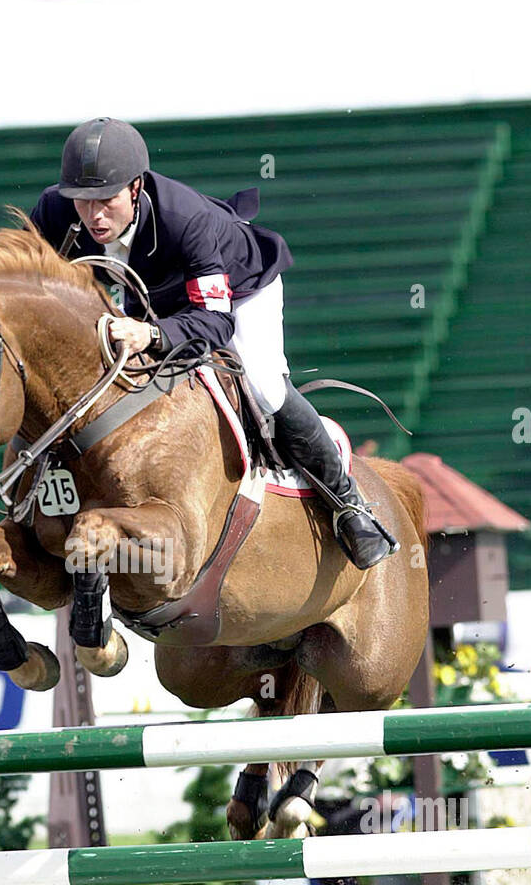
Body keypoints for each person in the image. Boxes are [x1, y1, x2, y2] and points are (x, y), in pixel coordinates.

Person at [30, 117, 398, 570]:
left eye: (106, 200)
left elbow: (215, 323)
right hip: (146, 290)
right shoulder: (54, 211)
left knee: (265, 387)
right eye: (83, 202)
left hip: (237, 292)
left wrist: (153, 334)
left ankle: (348, 504)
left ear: (136, 188)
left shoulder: (187, 219)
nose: (94, 216)